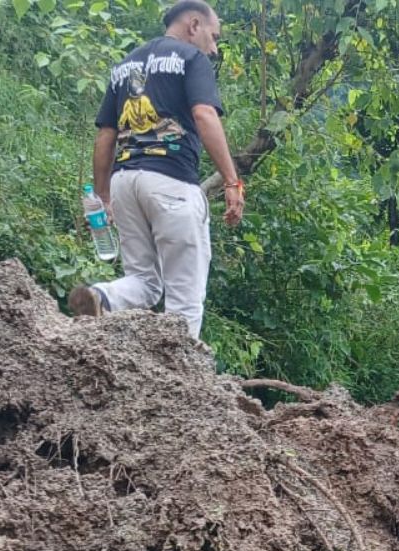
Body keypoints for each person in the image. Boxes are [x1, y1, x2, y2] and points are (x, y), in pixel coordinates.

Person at [67, 0, 244, 340]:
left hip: (124, 183)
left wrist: (103, 195)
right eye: (213, 36)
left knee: (144, 282)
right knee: (185, 297)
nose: (214, 48)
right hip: (171, 183)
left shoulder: (125, 66)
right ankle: (184, 380)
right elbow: (205, 115)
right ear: (194, 25)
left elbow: (105, 135)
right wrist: (232, 181)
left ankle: (101, 296)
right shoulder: (192, 59)